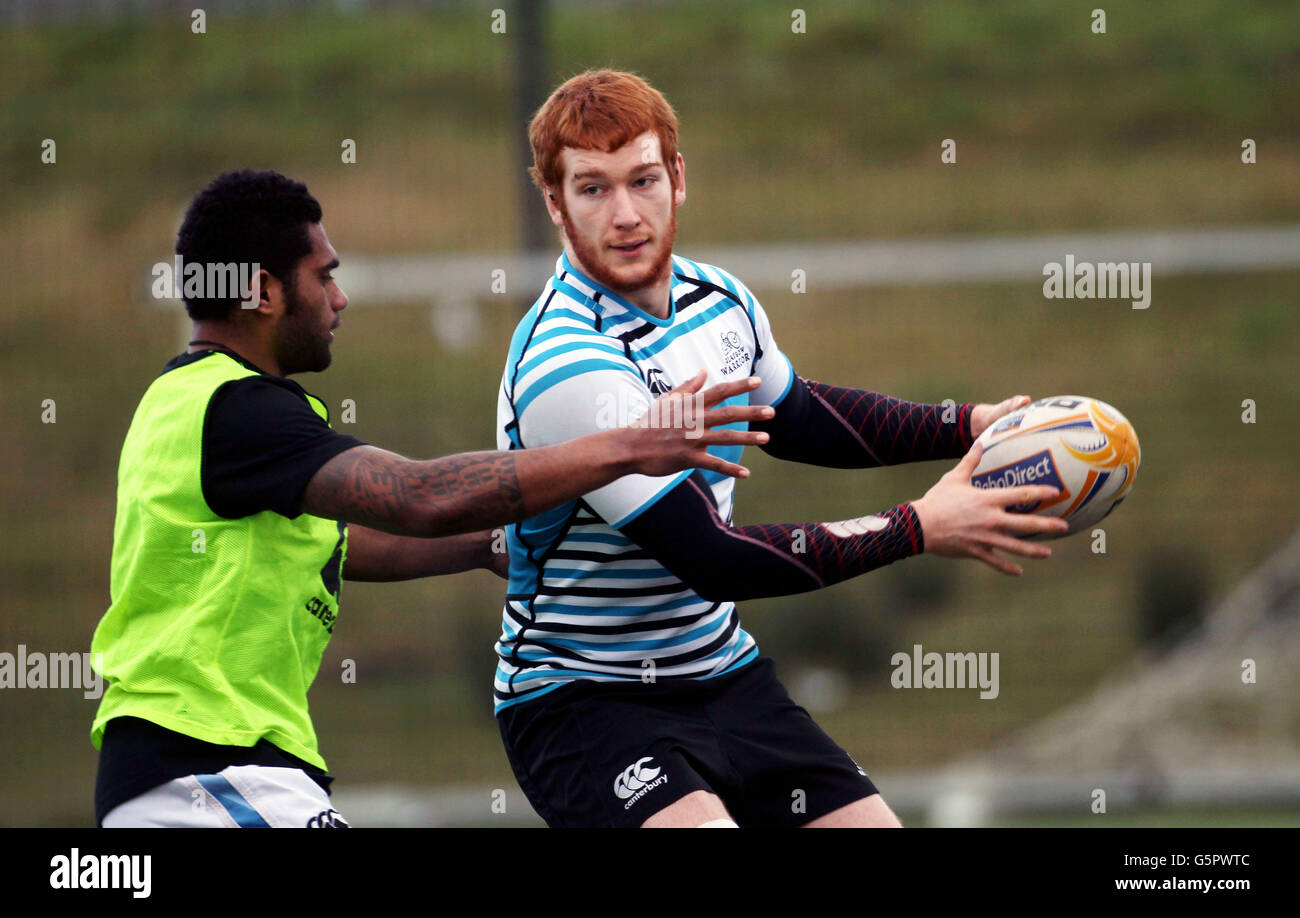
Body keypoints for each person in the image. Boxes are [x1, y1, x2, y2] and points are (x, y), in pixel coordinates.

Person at [90, 169, 773, 828]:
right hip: (208, 770)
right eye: (323, 275)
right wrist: (628, 445)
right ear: (264, 292)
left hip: (193, 772)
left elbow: (343, 543)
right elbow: (419, 496)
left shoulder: (187, 405)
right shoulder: (241, 409)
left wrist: (488, 545)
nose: (340, 297)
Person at [493, 70, 1070, 828]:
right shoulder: (564, 363)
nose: (627, 214)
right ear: (554, 203)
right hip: (582, 700)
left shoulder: (718, 301)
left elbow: (797, 414)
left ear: (678, 177)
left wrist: (966, 425)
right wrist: (918, 527)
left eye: (643, 179)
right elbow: (711, 555)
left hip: (722, 674)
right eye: (594, 189)